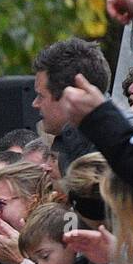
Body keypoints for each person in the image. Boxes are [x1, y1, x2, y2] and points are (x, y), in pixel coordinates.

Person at [31, 38, 111, 173]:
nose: (35, 104)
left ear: (70, 96)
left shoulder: (112, 155)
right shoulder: (70, 145)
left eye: (41, 96)